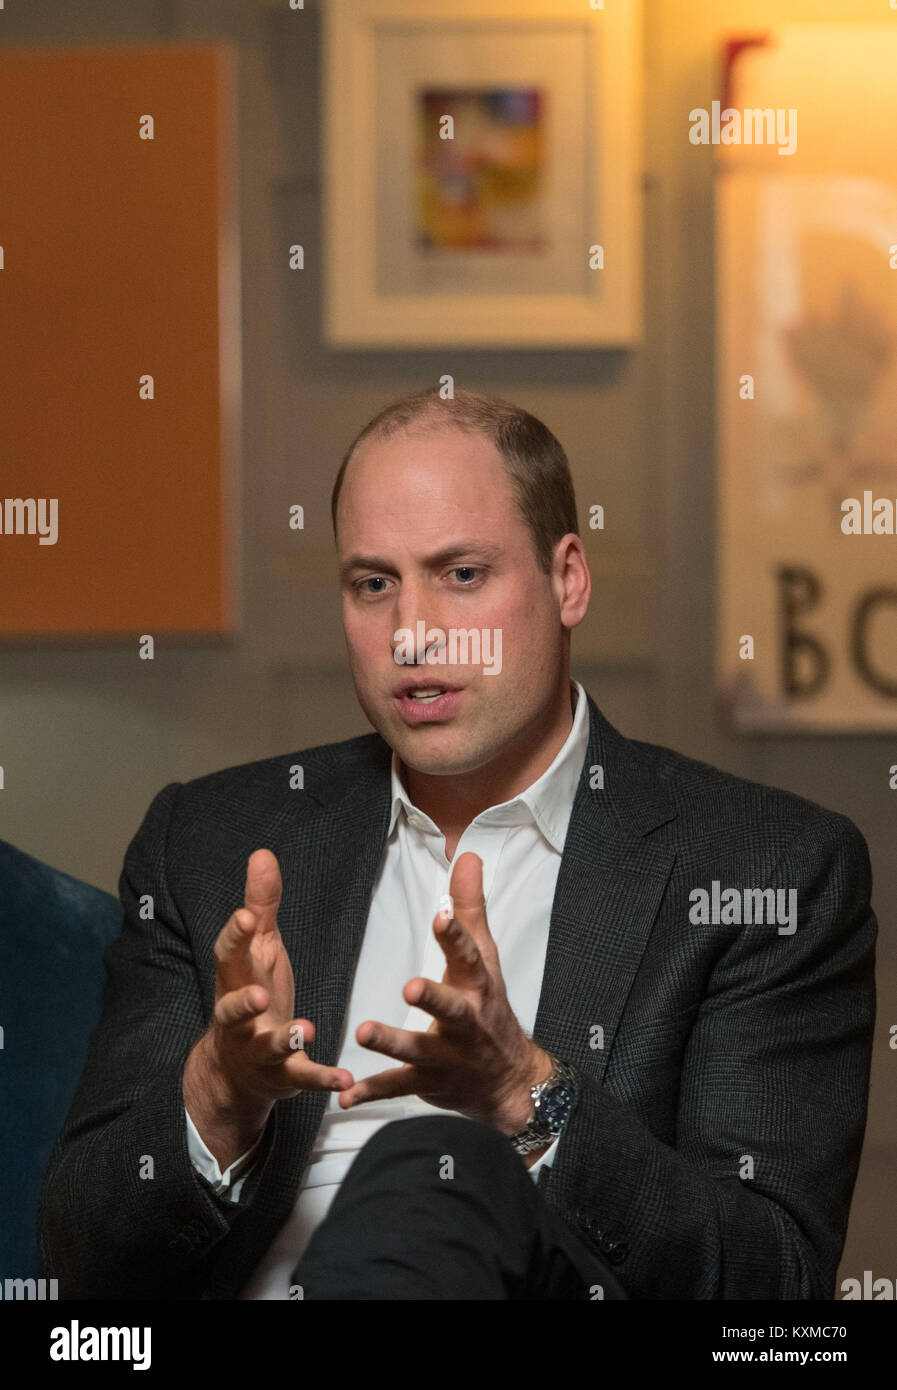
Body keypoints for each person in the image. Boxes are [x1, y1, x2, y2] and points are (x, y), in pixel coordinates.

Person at [38, 388, 877, 1299]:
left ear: (568, 581)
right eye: (373, 584)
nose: (413, 633)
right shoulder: (210, 844)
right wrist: (218, 1095)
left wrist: (527, 1092)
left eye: (462, 574)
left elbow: (775, 1287)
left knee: (431, 1164)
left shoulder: (763, 867)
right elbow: (79, 1261)